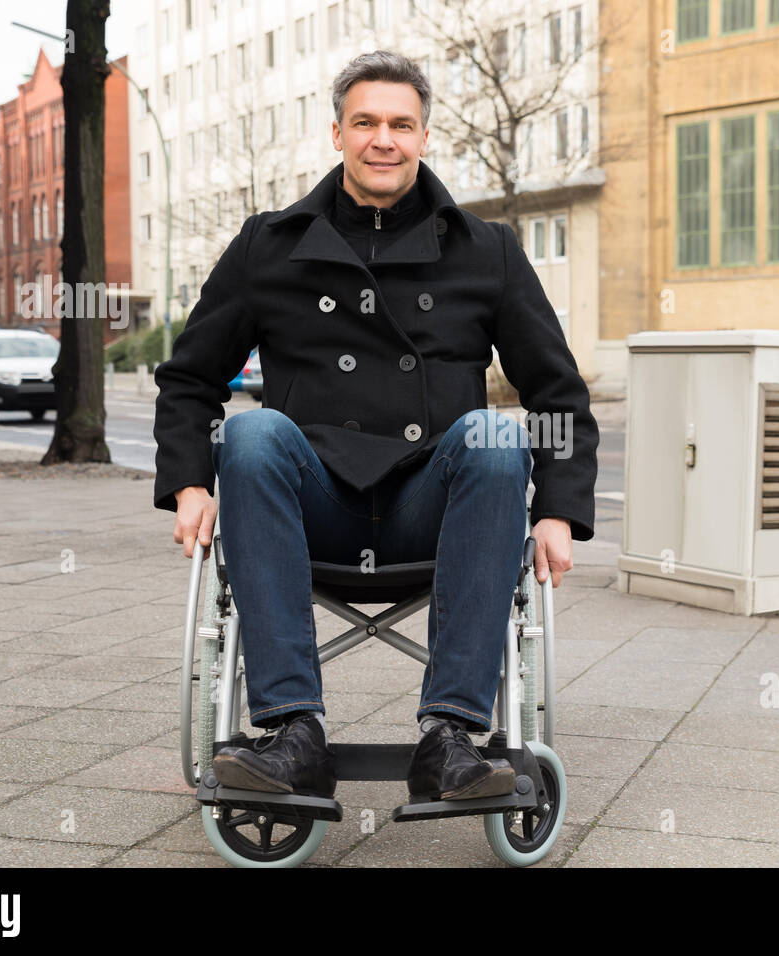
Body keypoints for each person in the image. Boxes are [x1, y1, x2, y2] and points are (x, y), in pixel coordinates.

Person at [153, 50, 598, 805]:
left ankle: (452, 737)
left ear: (424, 137)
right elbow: (191, 376)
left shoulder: (484, 250)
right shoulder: (271, 245)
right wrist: (190, 480)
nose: (382, 139)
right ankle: (293, 732)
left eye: (400, 123)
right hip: (312, 509)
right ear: (337, 133)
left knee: (493, 437)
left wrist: (557, 508)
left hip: (435, 511)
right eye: (365, 122)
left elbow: (556, 388)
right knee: (255, 435)